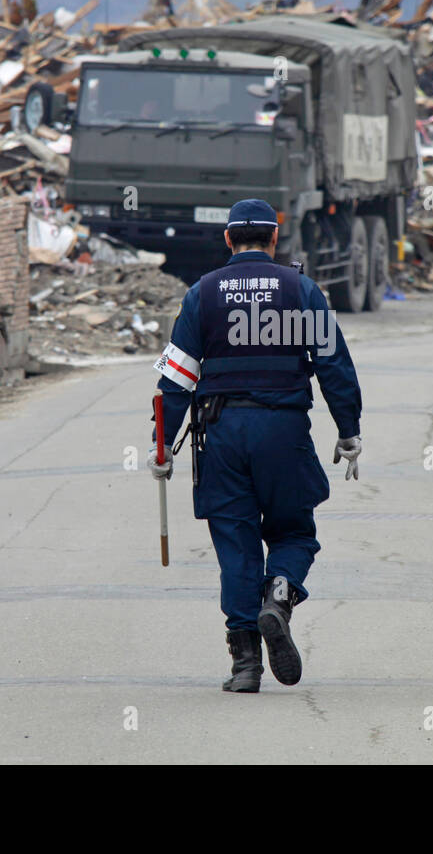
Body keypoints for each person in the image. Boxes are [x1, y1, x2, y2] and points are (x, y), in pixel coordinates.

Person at [148, 198, 363, 693]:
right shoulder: (301, 289)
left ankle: (245, 666)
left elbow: (176, 380)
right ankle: (279, 596)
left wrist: (161, 447)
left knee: (237, 546)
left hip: (219, 436)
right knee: (293, 531)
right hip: (283, 432)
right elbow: (333, 366)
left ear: (227, 240)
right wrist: (348, 430)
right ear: (274, 239)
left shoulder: (201, 294)